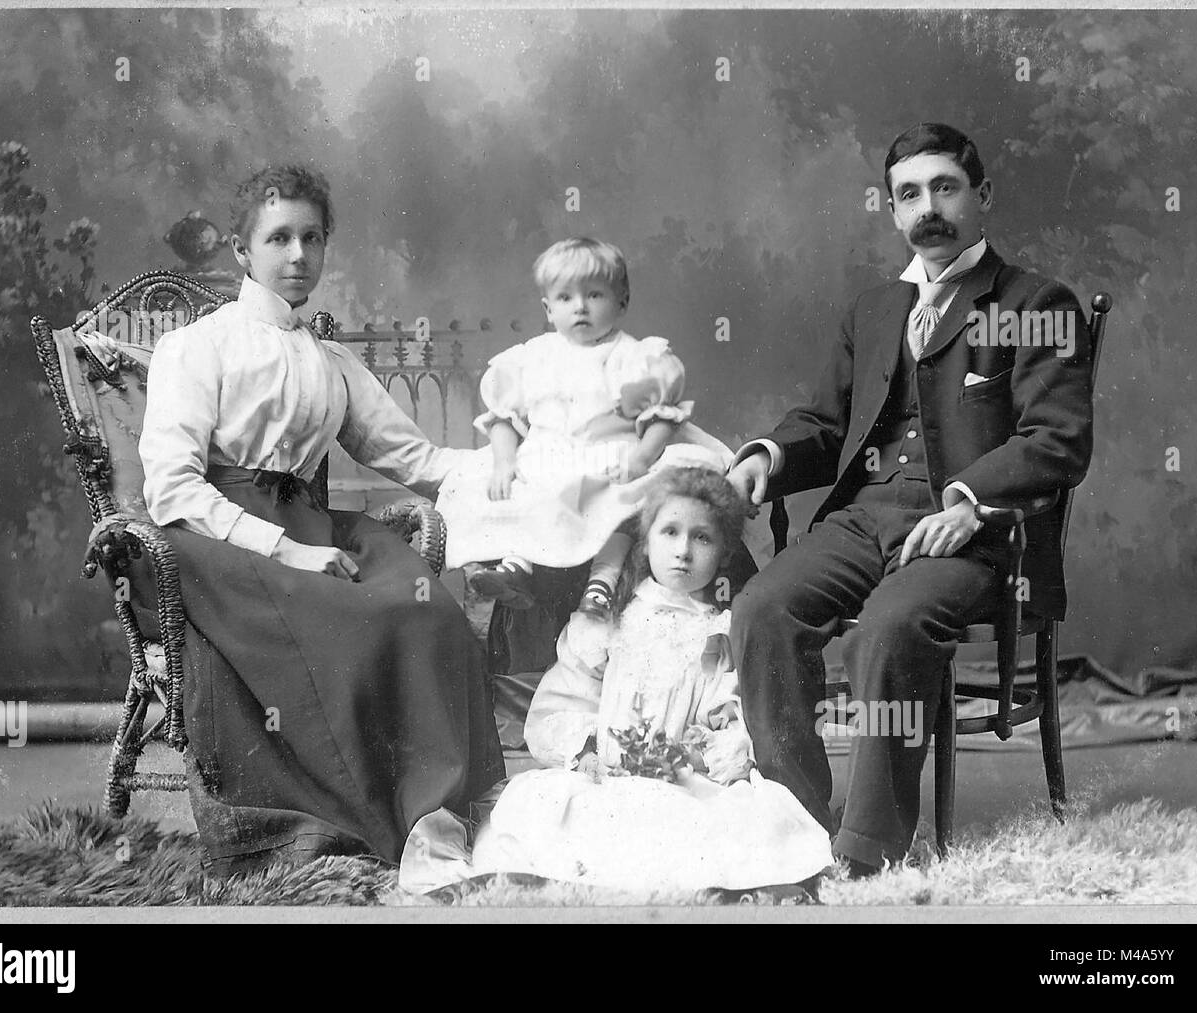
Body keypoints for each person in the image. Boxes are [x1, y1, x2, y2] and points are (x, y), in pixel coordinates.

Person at [726, 123, 1093, 875]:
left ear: (982, 196)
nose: (928, 207)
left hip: (978, 530)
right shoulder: (873, 310)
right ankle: (790, 819)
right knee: (761, 610)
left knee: (889, 628)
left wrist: (968, 498)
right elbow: (829, 425)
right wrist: (769, 453)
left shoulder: (1034, 301)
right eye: (909, 194)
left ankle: (866, 847)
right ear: (892, 212)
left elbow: (1057, 440)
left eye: (945, 187)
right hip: (865, 514)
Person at [133, 164, 505, 874]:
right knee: (349, 621)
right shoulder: (198, 347)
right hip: (217, 540)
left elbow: (420, 458)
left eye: (312, 237)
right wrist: (284, 550)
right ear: (243, 252)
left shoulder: (329, 361)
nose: (298, 255)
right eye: (278, 238)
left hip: (307, 523)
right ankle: (367, 820)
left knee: (427, 611)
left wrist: (536, 460)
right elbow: (172, 488)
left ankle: (438, 813)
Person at [400, 468, 833, 895]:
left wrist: (699, 754)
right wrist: (588, 752)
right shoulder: (610, 622)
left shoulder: (721, 633)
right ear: (646, 542)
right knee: (549, 814)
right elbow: (564, 702)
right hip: (605, 777)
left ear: (723, 553)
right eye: (670, 533)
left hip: (683, 782)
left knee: (716, 835)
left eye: (702, 538)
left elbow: (733, 720)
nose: (683, 550)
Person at [435, 237, 732, 619]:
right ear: (548, 308)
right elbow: (504, 417)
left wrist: (642, 457)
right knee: (515, 492)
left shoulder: (635, 357)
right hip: (547, 455)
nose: (580, 307)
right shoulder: (532, 358)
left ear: (621, 301)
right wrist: (504, 461)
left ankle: (601, 583)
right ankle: (514, 569)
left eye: (594, 295)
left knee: (615, 505)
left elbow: (662, 416)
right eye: (565, 298)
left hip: (611, 455)